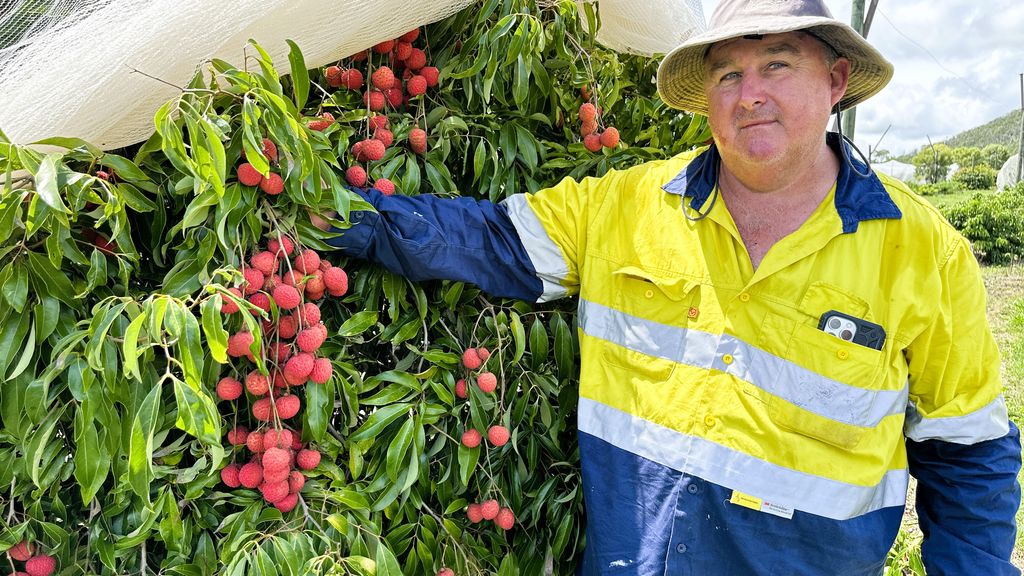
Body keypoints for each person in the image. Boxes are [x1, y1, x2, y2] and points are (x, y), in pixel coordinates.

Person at [317, 0, 1022, 573]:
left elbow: (969, 455)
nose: (751, 94)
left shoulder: (924, 253)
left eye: (777, 65)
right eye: (728, 75)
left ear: (835, 81)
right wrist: (331, 212)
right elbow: (490, 239)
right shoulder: (625, 206)